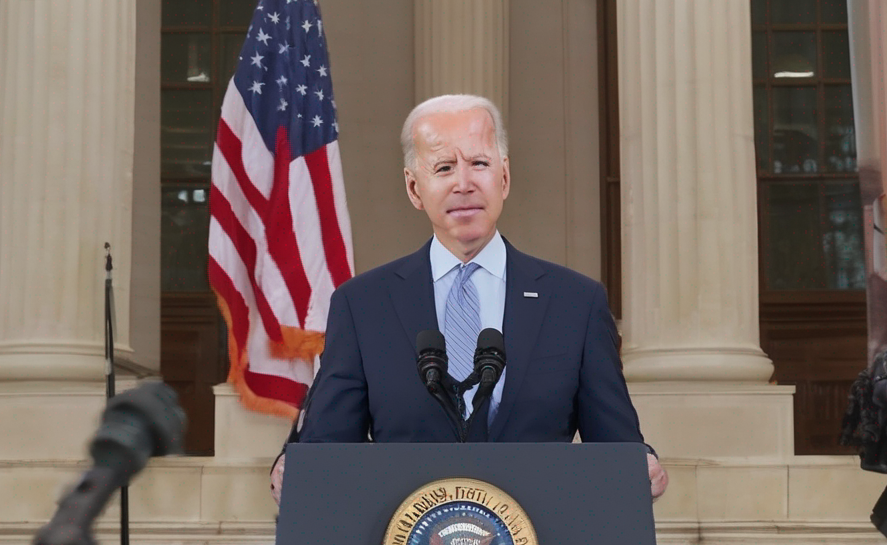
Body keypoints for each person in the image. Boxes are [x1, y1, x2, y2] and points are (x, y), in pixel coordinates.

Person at [270, 94, 667, 503]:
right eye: (443, 168)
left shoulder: (575, 304)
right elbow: (327, 445)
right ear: (414, 188)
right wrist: (296, 469)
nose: (464, 183)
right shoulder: (363, 305)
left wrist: (641, 465)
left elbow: (616, 445)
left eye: (479, 163)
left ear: (504, 177)